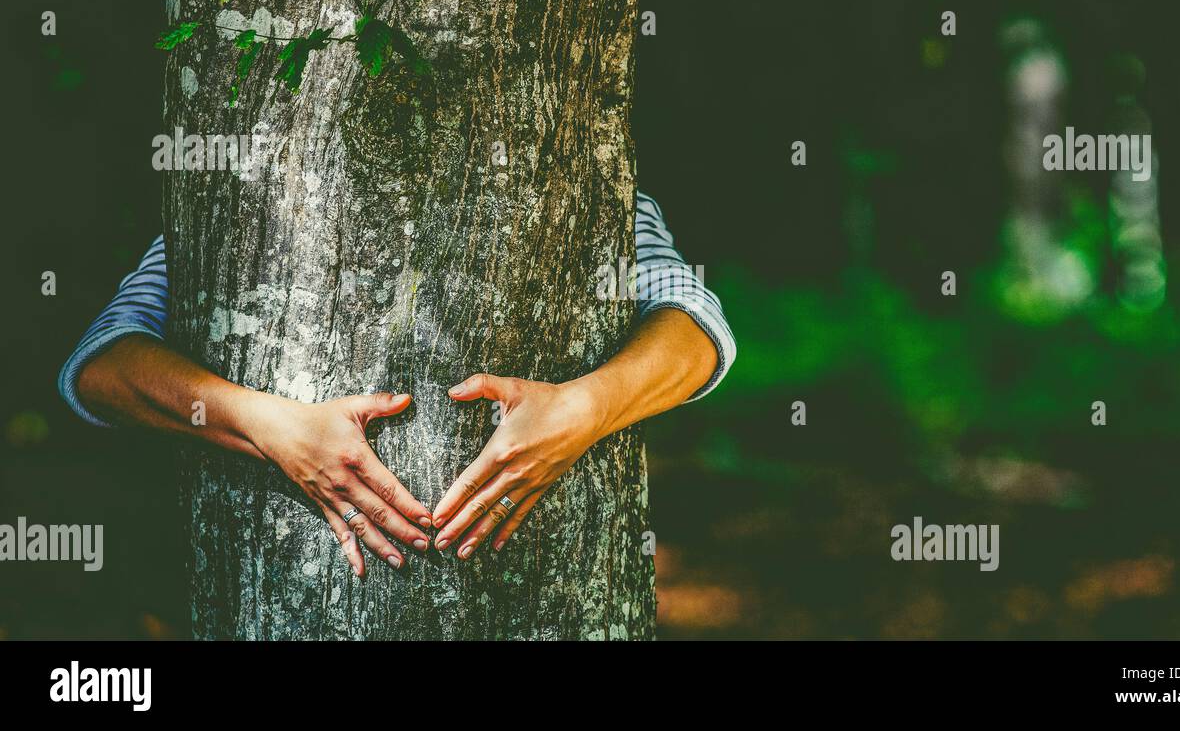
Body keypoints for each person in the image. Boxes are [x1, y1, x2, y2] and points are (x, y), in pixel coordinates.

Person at [58, 192, 735, 576]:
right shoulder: (239, 194)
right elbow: (101, 365)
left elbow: (697, 327)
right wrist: (266, 425)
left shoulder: (582, 179)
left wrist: (586, 408)